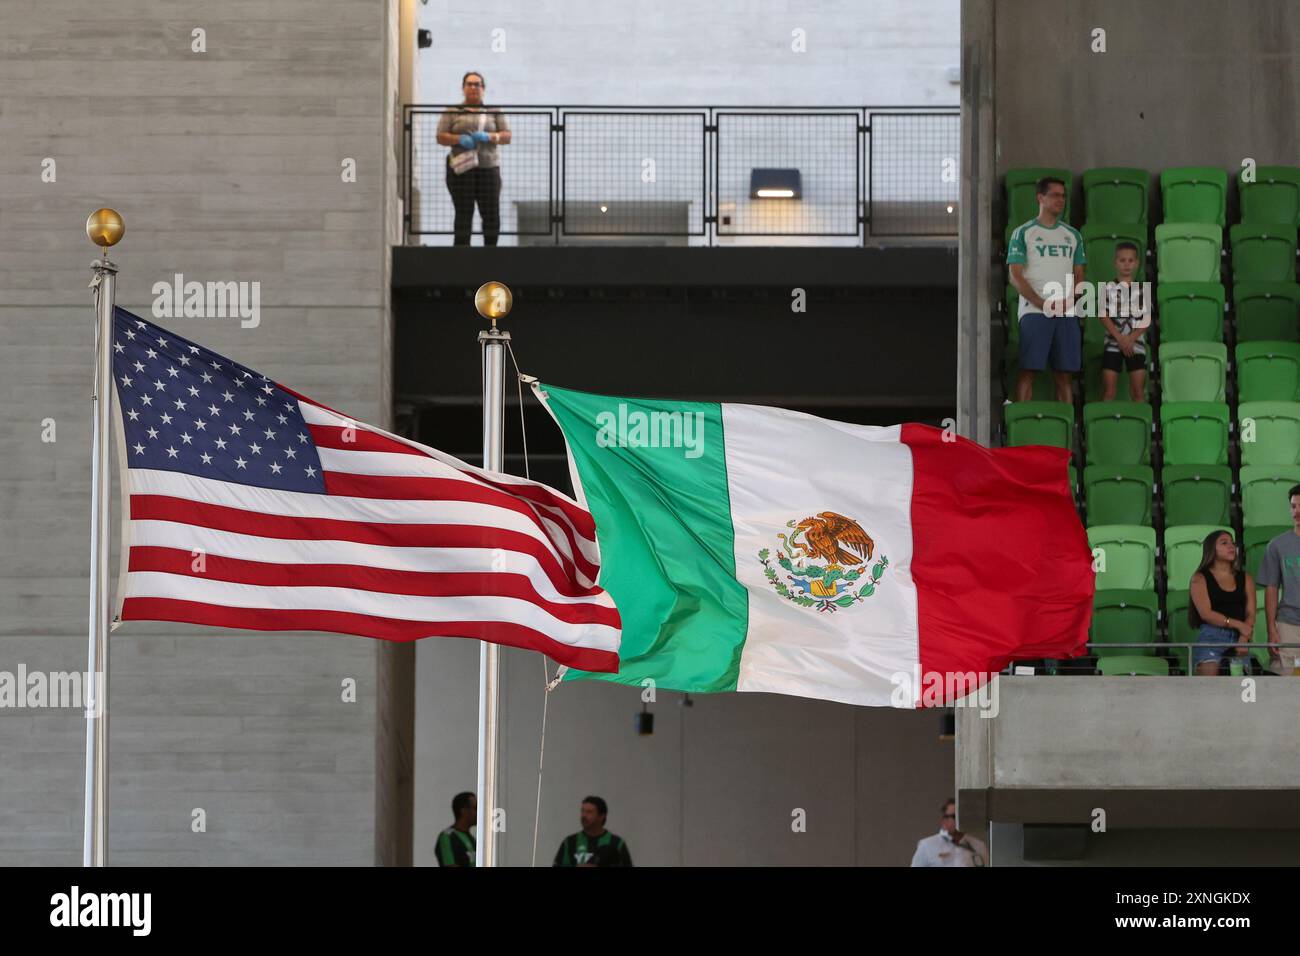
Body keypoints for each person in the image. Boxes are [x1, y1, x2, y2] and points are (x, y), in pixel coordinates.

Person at [1007, 176, 1087, 403]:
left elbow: (1079, 274)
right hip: (1034, 311)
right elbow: (1015, 275)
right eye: (1055, 195)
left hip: (1066, 312)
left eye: (1063, 196)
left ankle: (1065, 432)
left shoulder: (1073, 235)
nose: (1060, 200)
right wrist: (1042, 303)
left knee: (1064, 375)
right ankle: (1020, 431)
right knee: (1028, 370)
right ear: (1040, 197)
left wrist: (1071, 301)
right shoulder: (1023, 232)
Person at [436, 71, 511, 246]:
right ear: (463, 88)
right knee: (463, 212)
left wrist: (490, 137)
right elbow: (440, 136)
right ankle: (462, 254)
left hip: (488, 168)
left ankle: (490, 252)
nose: (473, 87)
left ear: (483, 89)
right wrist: (459, 139)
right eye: (469, 84)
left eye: (477, 84)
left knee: (491, 213)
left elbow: (507, 136)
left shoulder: (494, 111)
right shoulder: (452, 111)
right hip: (462, 169)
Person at [1188, 530, 1256, 676]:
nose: (1231, 546)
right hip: (1211, 636)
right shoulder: (1199, 578)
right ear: (1212, 549)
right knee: (1210, 679)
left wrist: (1244, 637)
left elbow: (1250, 612)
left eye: (1232, 543)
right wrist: (1239, 625)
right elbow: (1206, 614)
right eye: (1224, 543)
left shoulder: (1246, 578)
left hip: (1240, 636)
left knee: (1241, 683)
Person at [1097, 242, 1152, 401]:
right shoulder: (1107, 287)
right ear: (1115, 262)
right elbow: (1103, 315)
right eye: (1122, 260)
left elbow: (1146, 319)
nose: (1126, 264)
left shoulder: (1143, 289)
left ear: (1136, 263)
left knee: (1138, 393)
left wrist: (1130, 338)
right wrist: (1120, 338)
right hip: (1113, 345)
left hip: (1136, 345)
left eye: (1130, 260)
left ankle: (1140, 425)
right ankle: (1104, 424)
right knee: (1109, 392)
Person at [1260, 484, 1300, 675]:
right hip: (1288, 623)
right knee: (1289, 686)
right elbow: (1271, 588)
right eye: (1293, 506)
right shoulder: (1277, 545)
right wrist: (1271, 629)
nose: (1297, 512)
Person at [553, 796, 633, 867]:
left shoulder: (617, 843)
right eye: (582, 811)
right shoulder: (569, 842)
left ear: (601, 816)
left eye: (589, 812)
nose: (583, 815)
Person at [910, 798, 987, 867]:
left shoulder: (978, 846)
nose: (959, 820)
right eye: (955, 817)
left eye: (962, 817)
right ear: (944, 819)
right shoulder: (927, 845)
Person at [435, 791, 476, 867]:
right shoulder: (446, 837)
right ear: (463, 811)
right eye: (475, 808)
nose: (478, 812)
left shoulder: (471, 838)